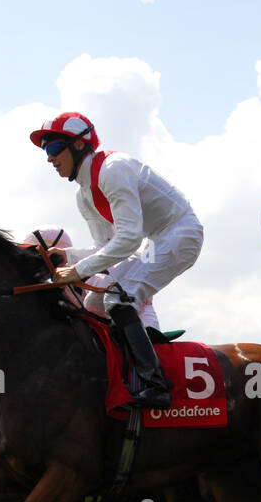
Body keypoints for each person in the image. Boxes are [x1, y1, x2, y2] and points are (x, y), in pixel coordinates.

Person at [29, 112, 203, 408]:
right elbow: (106, 246)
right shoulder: (83, 195)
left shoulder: (112, 169)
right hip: (154, 240)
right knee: (94, 303)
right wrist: (66, 257)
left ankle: (156, 385)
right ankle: (122, 373)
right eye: (47, 151)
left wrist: (77, 271)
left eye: (54, 148)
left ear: (80, 144)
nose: (49, 159)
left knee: (117, 300)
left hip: (180, 233)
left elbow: (129, 239)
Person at [20, 227, 161, 331]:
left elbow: (106, 305)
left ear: (52, 252)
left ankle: (148, 368)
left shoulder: (90, 273)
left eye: (35, 255)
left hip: (140, 325)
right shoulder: (62, 279)